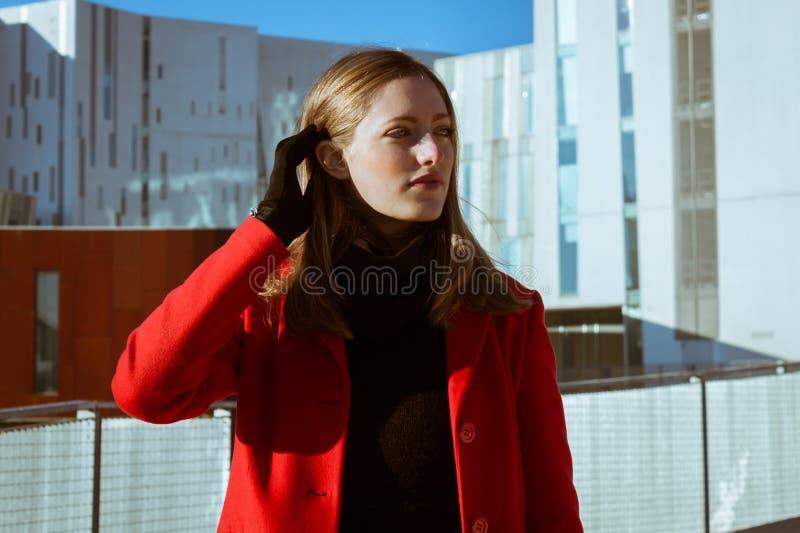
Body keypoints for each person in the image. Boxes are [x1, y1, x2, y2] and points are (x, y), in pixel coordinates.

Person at [111, 49, 583, 533]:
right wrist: (264, 232)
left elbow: (552, 506)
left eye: (443, 131)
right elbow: (145, 391)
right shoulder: (272, 304)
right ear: (334, 158)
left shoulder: (506, 310)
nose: (434, 152)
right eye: (402, 132)